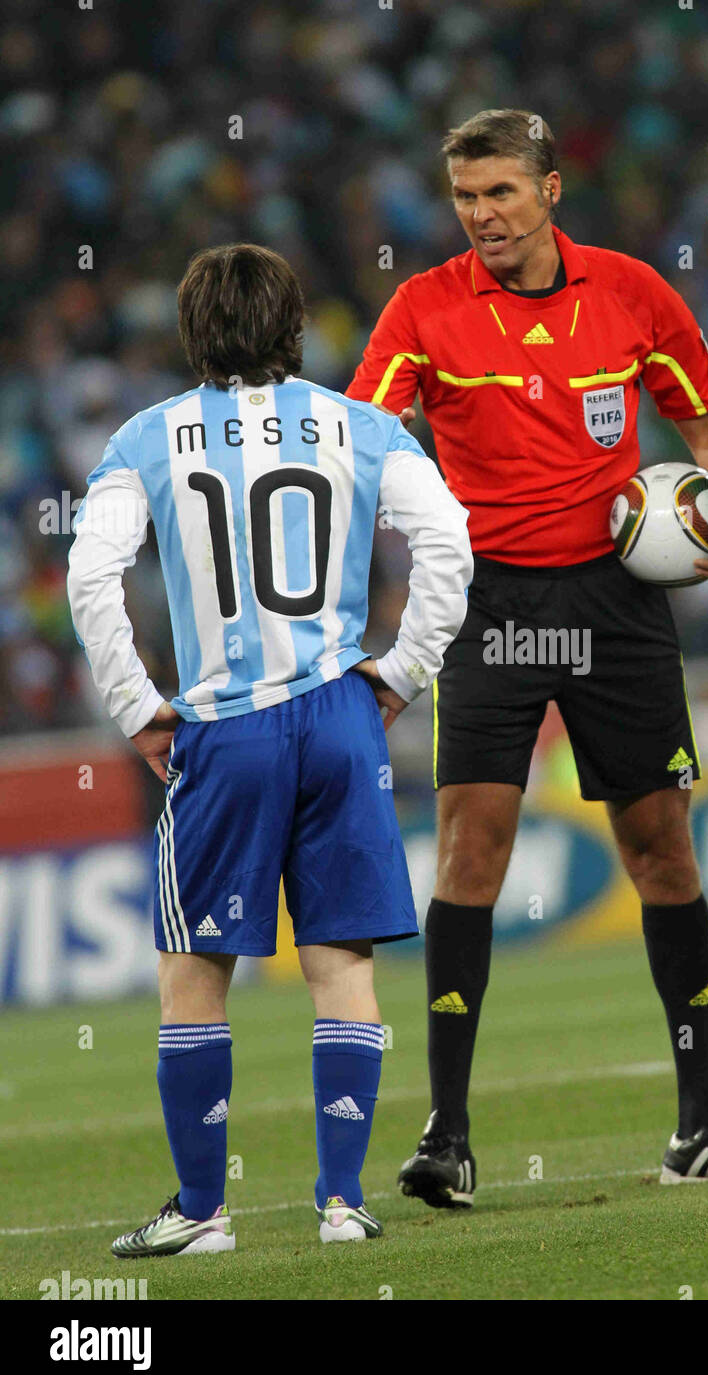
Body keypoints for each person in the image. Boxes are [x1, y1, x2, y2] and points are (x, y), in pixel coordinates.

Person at [347, 108, 708, 1207]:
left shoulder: (634, 293)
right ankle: (446, 1133)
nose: (480, 216)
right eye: (464, 198)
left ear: (551, 191)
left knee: (662, 851)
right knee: (470, 853)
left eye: (500, 192)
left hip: (618, 599)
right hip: (488, 603)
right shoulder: (422, 307)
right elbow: (355, 445)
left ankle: (703, 1121)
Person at [67, 242, 472, 1254]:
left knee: (196, 970)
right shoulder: (361, 425)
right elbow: (449, 544)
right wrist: (398, 672)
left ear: (190, 329)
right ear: (294, 326)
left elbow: (89, 576)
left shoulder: (149, 437)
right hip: (337, 713)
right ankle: (342, 1202)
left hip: (223, 726)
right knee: (339, 962)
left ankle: (203, 1212)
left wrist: (138, 706)